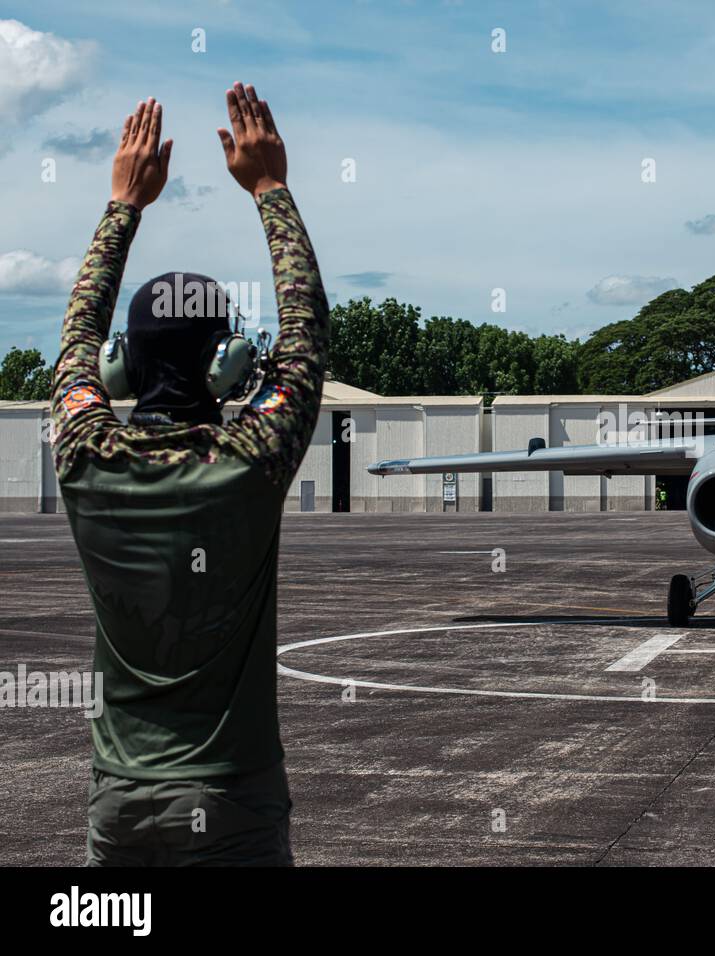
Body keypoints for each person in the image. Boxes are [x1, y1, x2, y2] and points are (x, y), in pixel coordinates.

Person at [51, 84, 328, 865]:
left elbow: (77, 334)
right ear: (229, 364)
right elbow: (305, 334)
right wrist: (270, 187)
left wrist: (123, 204)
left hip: (121, 798)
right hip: (233, 795)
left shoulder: (85, 457)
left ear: (121, 368)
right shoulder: (248, 463)